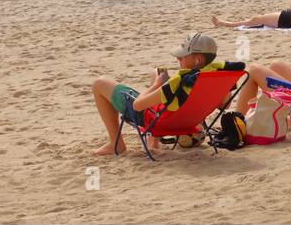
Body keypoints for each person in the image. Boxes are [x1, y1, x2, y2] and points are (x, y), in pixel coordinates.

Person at [90, 33, 243, 156]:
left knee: (99, 83)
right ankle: (153, 143)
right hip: (188, 121)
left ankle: (116, 144)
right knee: (157, 71)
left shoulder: (181, 80)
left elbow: (138, 106)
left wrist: (157, 84)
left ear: (197, 59)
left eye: (182, 57)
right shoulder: (218, 77)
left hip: (154, 119)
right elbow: (225, 105)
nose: (178, 58)